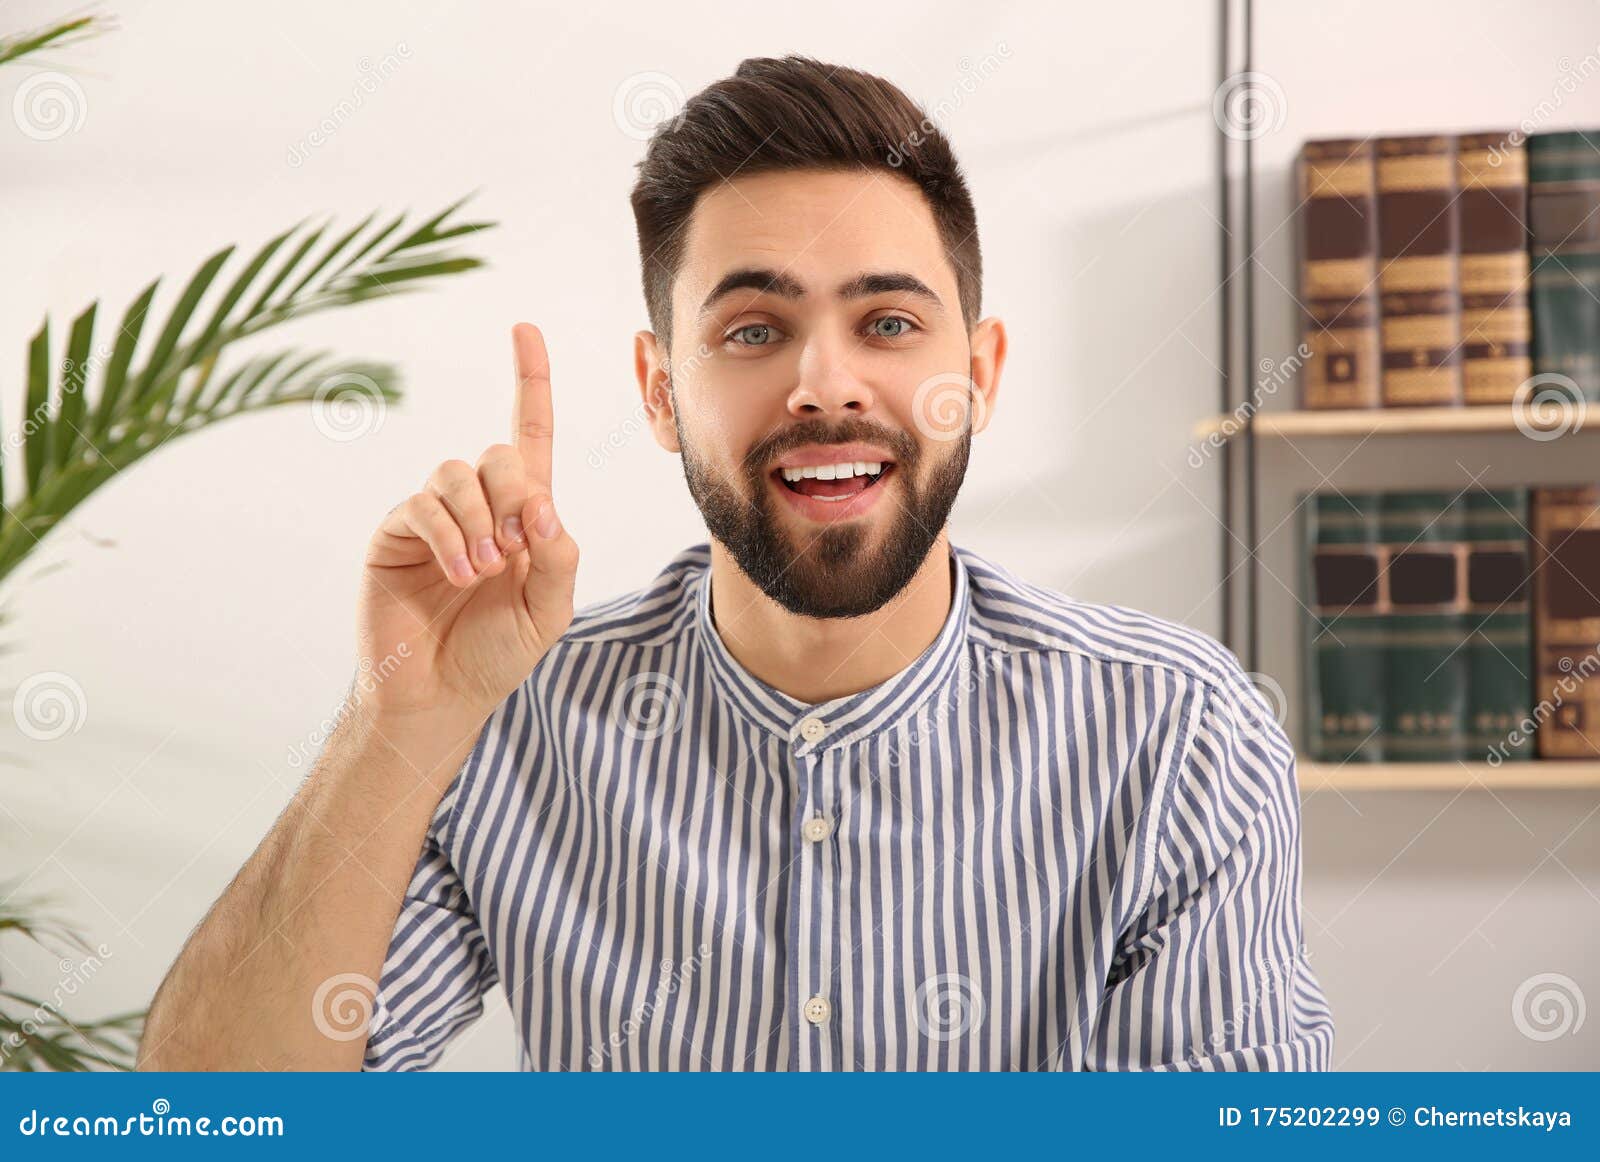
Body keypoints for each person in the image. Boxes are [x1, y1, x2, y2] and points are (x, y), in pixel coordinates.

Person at [138, 55, 1333, 1071]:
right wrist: (399, 716)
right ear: (662, 392)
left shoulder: (1178, 731)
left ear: (980, 376)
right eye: (753, 330)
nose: (824, 382)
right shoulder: (507, 718)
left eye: (888, 323)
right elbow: (203, 1125)